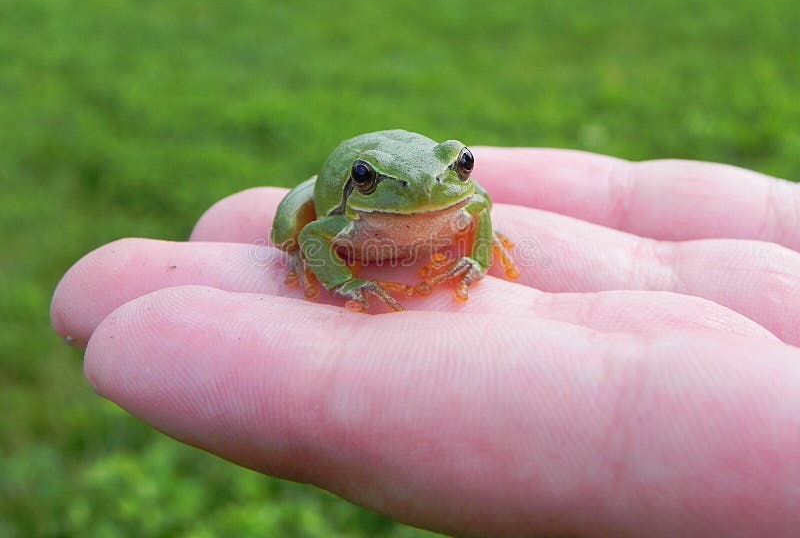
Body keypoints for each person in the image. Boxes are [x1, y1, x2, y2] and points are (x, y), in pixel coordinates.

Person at [50, 147, 800, 537]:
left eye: (460, 165)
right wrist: (341, 279)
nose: (444, 189)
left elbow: (479, 205)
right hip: (335, 196)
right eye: (385, 184)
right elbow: (314, 236)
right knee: (286, 227)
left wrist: (474, 252)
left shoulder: (460, 194)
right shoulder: (349, 209)